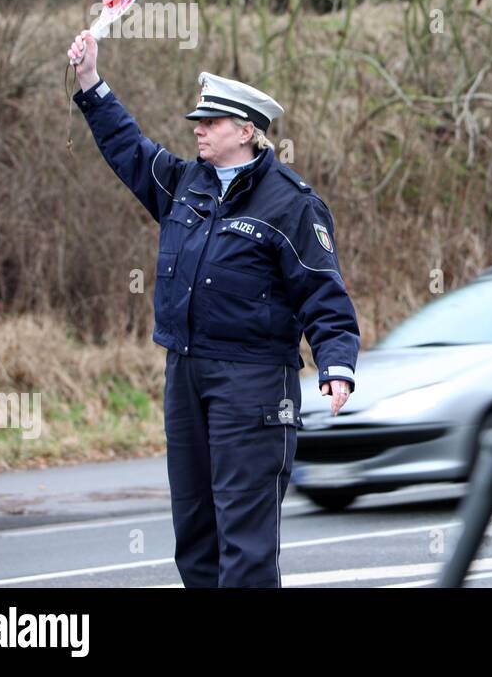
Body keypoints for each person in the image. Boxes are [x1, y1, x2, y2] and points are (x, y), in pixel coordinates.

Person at [66, 29, 361, 587]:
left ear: (247, 131)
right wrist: (90, 81)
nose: (198, 128)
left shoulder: (292, 203)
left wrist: (337, 361)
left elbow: (323, 292)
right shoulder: (185, 184)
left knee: (245, 543)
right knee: (196, 536)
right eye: (198, 121)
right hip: (186, 374)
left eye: (212, 122)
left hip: (252, 384)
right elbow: (127, 146)